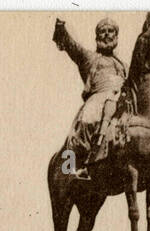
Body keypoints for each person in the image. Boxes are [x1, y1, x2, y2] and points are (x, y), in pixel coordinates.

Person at [53, 17, 126, 178]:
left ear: (116, 35)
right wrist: (61, 26)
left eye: (110, 31)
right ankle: (72, 167)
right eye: (103, 31)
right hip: (98, 97)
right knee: (87, 121)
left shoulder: (122, 64)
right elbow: (72, 46)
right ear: (97, 36)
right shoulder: (89, 57)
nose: (107, 35)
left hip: (120, 99)